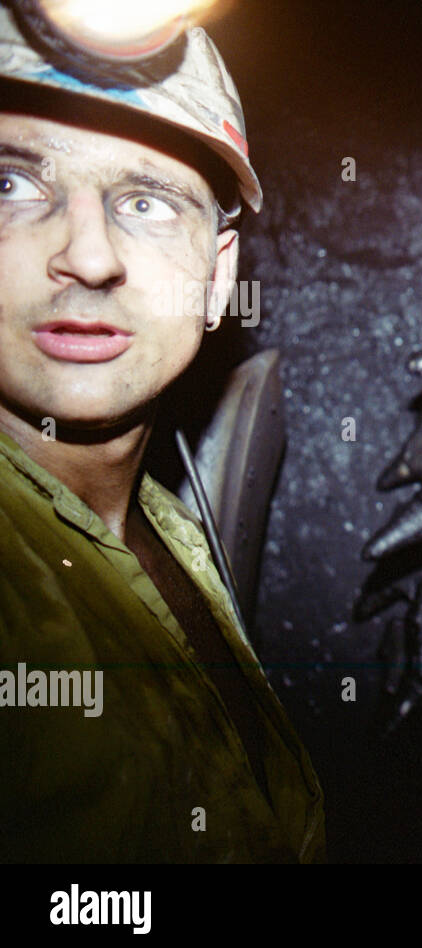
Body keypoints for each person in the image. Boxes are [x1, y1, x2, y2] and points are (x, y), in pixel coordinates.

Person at [0, 7, 324, 862]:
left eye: (145, 202)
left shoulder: (171, 530)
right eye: (11, 186)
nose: (89, 256)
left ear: (218, 278)